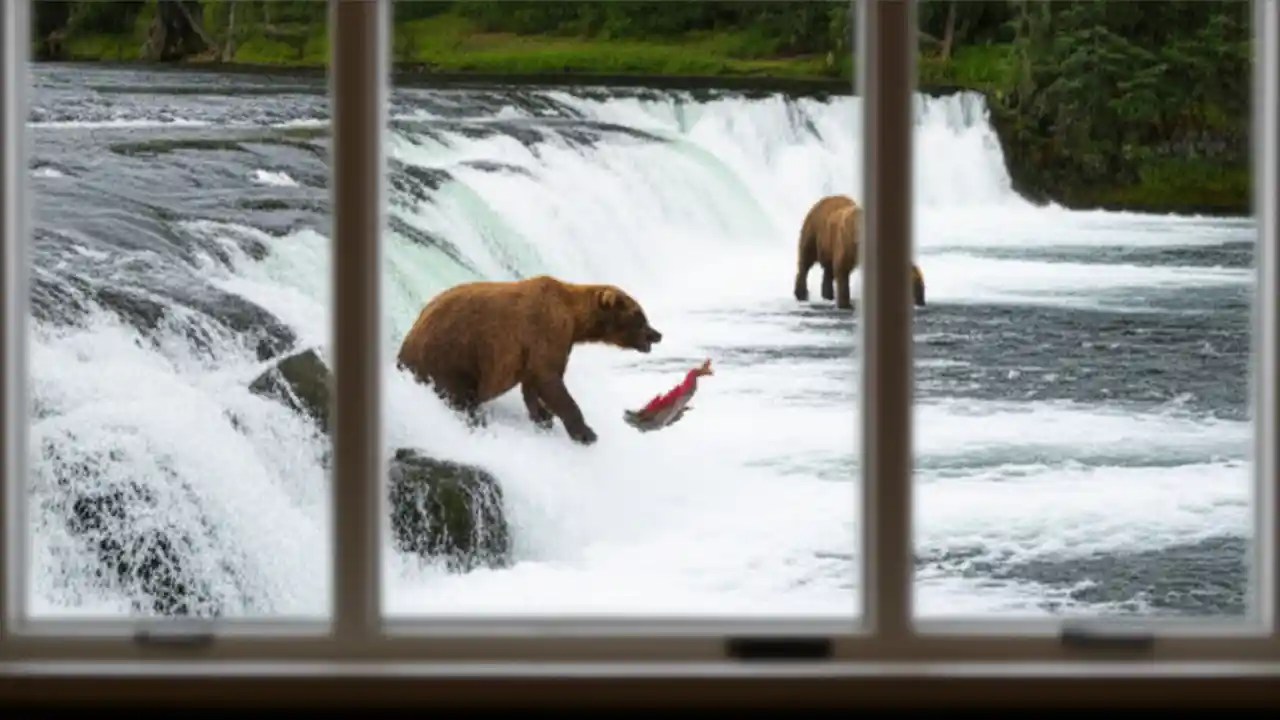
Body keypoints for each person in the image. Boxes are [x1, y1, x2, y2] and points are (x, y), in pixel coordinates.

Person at [623, 359, 714, 432]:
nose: (642, 411)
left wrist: (681, 410)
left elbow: (671, 415)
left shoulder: (656, 413)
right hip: (684, 393)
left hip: (682, 393)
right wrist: (681, 409)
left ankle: (706, 370)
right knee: (693, 373)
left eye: (639, 413)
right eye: (640, 414)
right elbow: (670, 415)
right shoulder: (659, 418)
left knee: (693, 374)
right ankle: (706, 370)